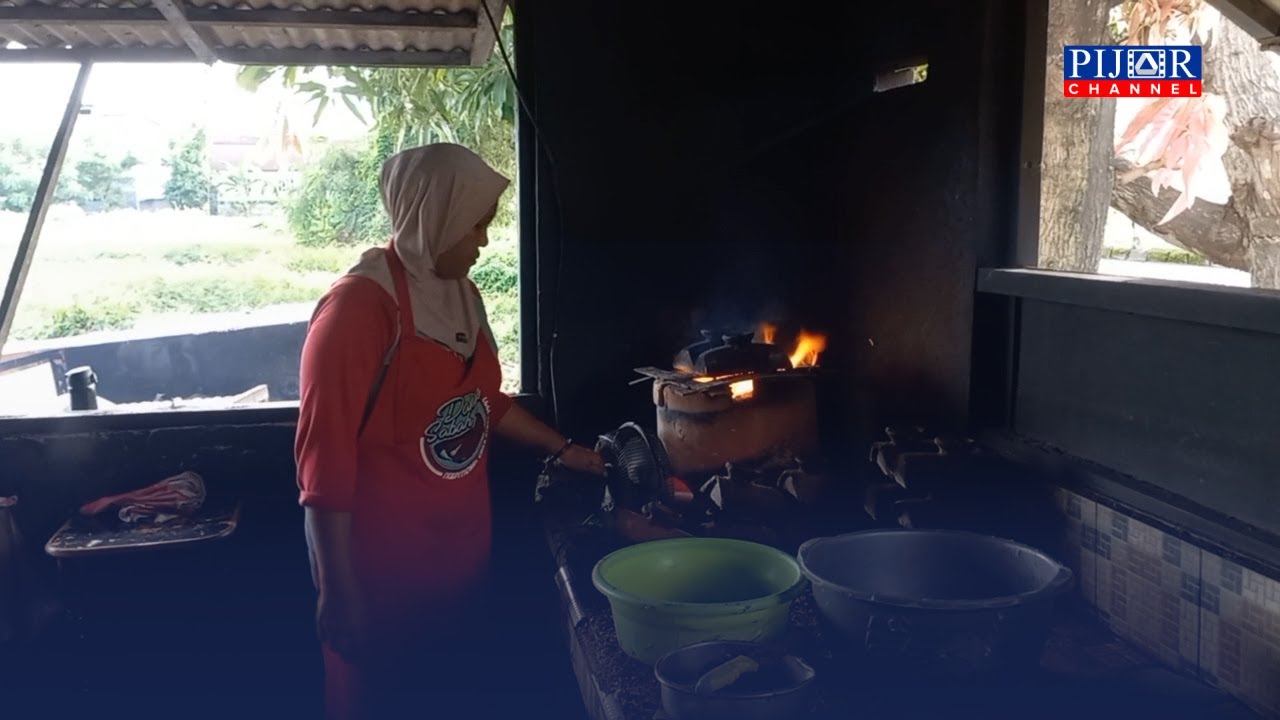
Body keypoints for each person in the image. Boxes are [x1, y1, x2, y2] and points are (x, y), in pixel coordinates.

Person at [293, 143, 606, 720]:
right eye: (474, 226)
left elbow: (482, 400)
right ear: (432, 217)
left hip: (459, 563)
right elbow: (323, 466)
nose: (481, 242)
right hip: (380, 576)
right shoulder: (357, 312)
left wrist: (564, 451)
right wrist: (337, 594)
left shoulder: (462, 297)